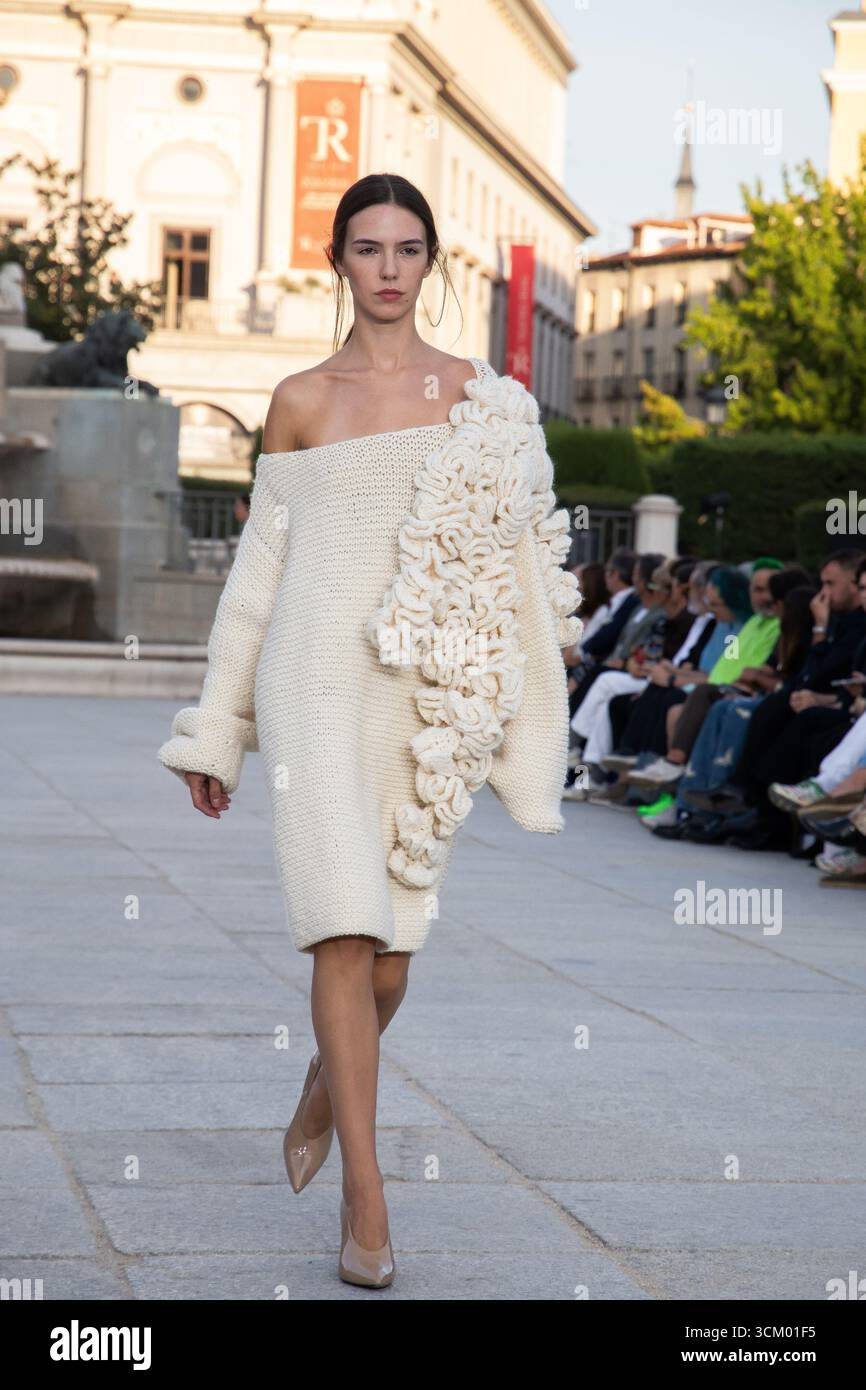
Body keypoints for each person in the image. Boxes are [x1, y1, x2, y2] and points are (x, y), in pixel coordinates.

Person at [156, 173, 582, 1291]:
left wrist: (510, 712)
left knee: (389, 961)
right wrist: (219, 727)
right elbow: (259, 575)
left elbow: (521, 573)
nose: (386, 268)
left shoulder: (484, 401)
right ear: (338, 261)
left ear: (430, 262)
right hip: (311, 681)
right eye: (365, 248)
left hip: (417, 698)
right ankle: (366, 1196)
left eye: (405, 248)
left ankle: (324, 1079)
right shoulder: (298, 397)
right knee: (339, 934)